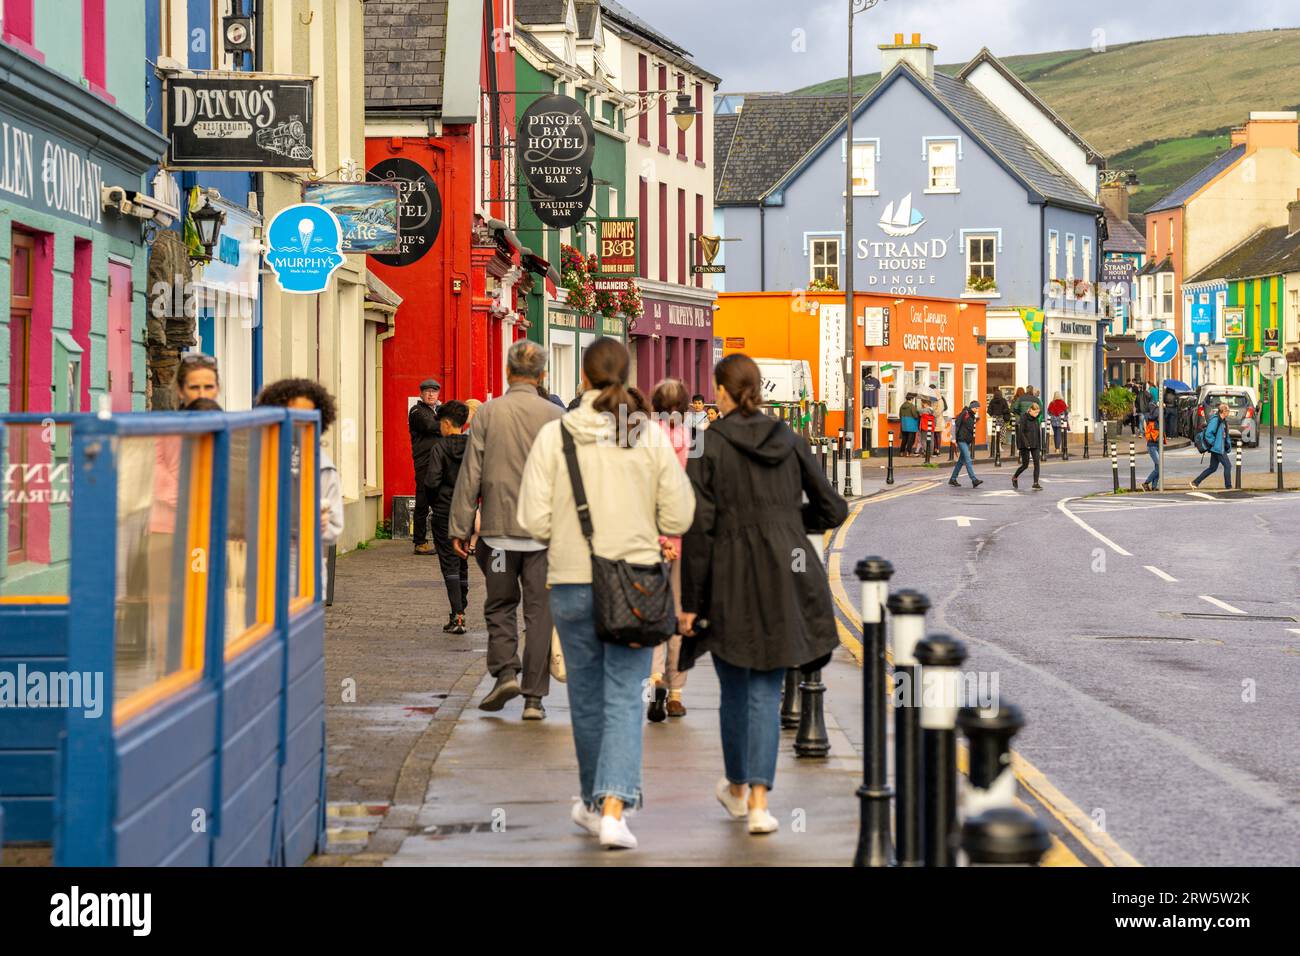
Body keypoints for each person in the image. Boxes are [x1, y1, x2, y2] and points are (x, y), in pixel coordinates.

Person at [516, 338, 695, 850]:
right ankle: (612, 809)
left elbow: (531, 519)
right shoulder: (650, 437)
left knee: (587, 699)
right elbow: (680, 515)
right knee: (623, 696)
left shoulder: (557, 436)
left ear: (584, 380)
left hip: (572, 582)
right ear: (627, 375)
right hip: (636, 582)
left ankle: (596, 804)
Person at [679, 353, 847, 837]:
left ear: (724, 392)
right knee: (766, 691)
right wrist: (791, 526)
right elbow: (833, 507)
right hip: (784, 575)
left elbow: (698, 531)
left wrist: (690, 604)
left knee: (736, 691)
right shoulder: (790, 440)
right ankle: (756, 800)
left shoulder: (707, 444)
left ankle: (740, 788)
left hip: (730, 575)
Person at [449, 341, 563, 720]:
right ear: (542, 375)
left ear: (508, 372)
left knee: (500, 605)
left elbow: (471, 473)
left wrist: (461, 525)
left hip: (498, 533)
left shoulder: (487, 414)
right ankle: (534, 697)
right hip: (544, 535)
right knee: (539, 612)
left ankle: (506, 673)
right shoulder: (555, 416)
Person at [254, 378, 345, 591]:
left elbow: (333, 528)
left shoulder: (322, 467)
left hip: (301, 580)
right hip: (255, 577)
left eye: (307, 417)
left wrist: (318, 523)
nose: (298, 424)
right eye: (291, 415)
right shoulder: (255, 457)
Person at [646, 379, 692, 722]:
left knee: (650, 610)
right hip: (681, 534)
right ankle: (676, 693)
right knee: (678, 613)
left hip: (649, 534)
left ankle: (654, 678)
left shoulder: (645, 436)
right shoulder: (693, 438)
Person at [425, 401, 471, 635]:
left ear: (445, 423)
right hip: (467, 510)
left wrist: (435, 502)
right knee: (463, 560)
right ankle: (462, 606)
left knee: (449, 563)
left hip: (444, 511)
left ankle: (457, 615)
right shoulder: (473, 446)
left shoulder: (439, 448)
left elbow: (431, 481)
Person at [409, 378, 442, 555]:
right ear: (421, 394)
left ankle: (442, 540)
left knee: (440, 503)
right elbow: (429, 426)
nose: (431, 394)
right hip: (424, 463)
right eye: (427, 391)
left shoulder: (438, 410)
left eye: (434, 391)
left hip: (440, 463)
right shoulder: (416, 411)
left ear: (438, 394)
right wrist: (447, 424)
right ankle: (420, 542)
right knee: (423, 502)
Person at [1192, 402, 1233, 490]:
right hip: (1217, 448)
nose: (1229, 412)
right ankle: (1228, 486)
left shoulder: (1224, 421)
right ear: (1223, 411)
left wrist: (1228, 445)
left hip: (1219, 448)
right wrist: (1214, 443)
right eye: (1228, 410)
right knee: (1228, 466)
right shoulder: (1215, 420)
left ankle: (1195, 482)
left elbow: (1226, 435)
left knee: (1212, 468)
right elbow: (1208, 433)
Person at [948, 400, 984, 488]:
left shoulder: (971, 416)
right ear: (972, 407)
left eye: (978, 408)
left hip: (967, 440)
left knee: (961, 461)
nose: (977, 410)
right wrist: (953, 438)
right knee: (968, 459)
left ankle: (953, 479)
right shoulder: (965, 413)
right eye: (976, 408)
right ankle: (974, 480)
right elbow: (956, 425)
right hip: (961, 440)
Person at [1012, 401, 1042, 491]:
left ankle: (1035, 483)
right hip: (1025, 444)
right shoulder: (1023, 418)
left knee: (1037, 463)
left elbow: (1038, 433)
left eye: (1038, 412)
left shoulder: (1036, 419)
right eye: (1035, 412)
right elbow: (1021, 433)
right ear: (1030, 410)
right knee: (1025, 465)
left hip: (1035, 444)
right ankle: (1015, 477)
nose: (1037, 414)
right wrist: (1026, 444)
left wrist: (1040, 446)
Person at [1141, 408, 1161, 491]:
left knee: (1158, 467)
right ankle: (1146, 483)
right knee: (1159, 467)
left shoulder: (1157, 420)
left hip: (1157, 445)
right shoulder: (1150, 419)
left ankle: (1154, 486)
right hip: (1152, 446)